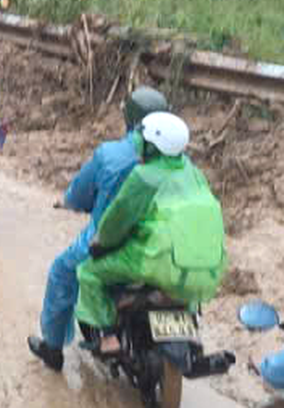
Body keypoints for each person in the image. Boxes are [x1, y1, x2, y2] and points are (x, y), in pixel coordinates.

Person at [27, 87, 170, 371]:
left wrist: (67, 201)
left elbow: (80, 194)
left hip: (110, 246)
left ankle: (53, 347)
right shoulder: (179, 161)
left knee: (61, 272)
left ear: (129, 118)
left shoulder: (110, 155)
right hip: (163, 248)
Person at [74, 112, 227, 355]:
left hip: (154, 260)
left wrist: (100, 242)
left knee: (89, 273)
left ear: (152, 146)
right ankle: (190, 327)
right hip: (206, 263)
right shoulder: (194, 173)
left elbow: (118, 218)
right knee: (181, 281)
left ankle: (109, 336)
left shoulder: (144, 176)